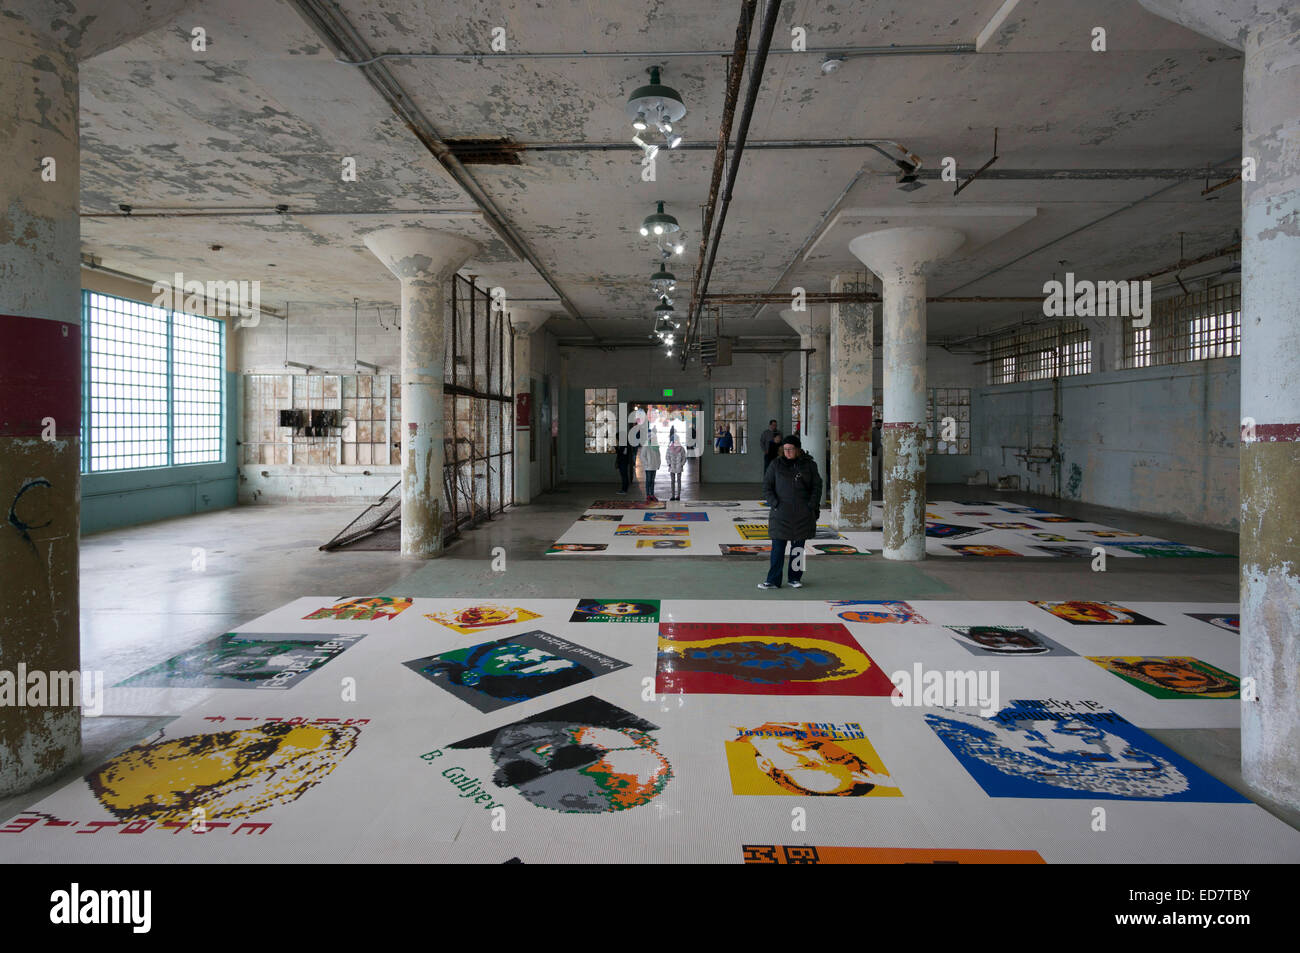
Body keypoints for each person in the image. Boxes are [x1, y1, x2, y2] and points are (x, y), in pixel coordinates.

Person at [758, 434, 822, 590]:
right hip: (781, 513)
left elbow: (817, 486)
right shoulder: (776, 465)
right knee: (778, 549)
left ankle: (794, 578)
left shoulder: (809, 465)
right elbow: (767, 486)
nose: (787, 452)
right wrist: (775, 503)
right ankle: (773, 580)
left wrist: (811, 505)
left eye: (791, 449)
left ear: (798, 450)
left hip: (803, 513)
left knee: (798, 549)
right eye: (785, 449)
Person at [639, 433, 661, 501]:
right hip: (648, 467)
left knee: (652, 481)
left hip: (654, 466)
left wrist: (658, 464)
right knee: (648, 481)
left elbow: (658, 456)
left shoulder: (656, 446)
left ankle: (652, 494)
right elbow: (642, 456)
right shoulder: (646, 445)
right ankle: (648, 495)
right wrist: (647, 463)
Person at [665, 432, 686, 501]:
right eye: (674, 440)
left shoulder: (681, 448)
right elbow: (667, 456)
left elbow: (684, 457)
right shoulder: (670, 448)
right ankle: (673, 495)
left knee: (679, 481)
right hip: (672, 467)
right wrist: (669, 464)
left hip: (679, 467)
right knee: (672, 481)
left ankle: (678, 495)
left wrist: (682, 464)